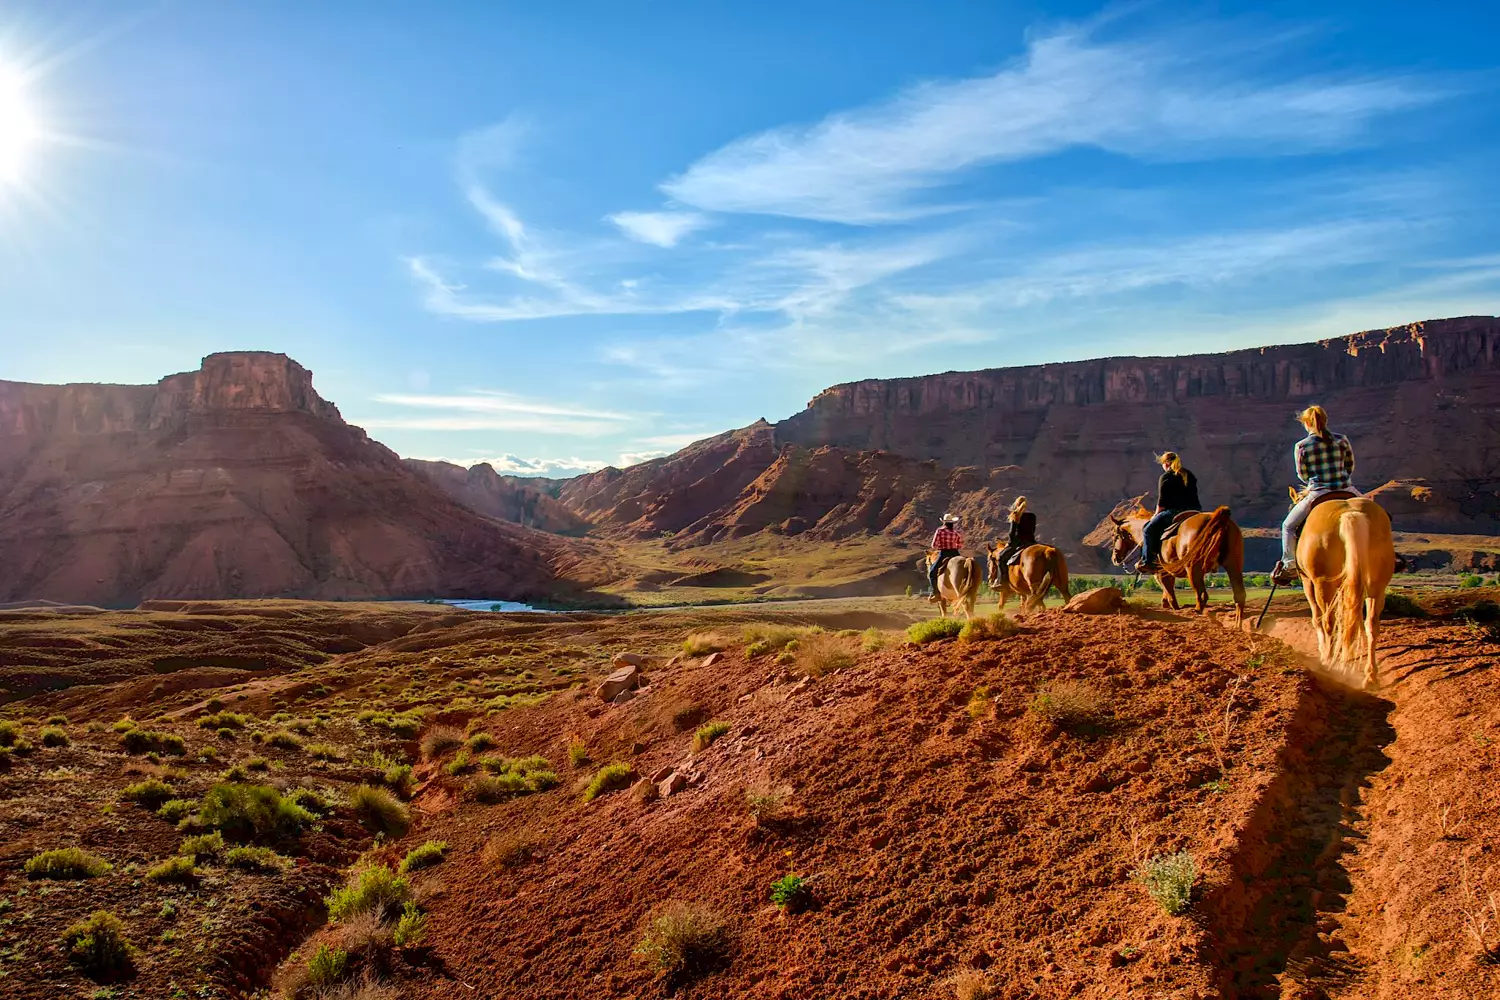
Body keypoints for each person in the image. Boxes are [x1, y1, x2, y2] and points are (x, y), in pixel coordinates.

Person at [1271, 405, 1357, 586]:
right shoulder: (1342, 440)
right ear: (1325, 420)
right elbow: (1349, 467)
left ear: (1306, 423)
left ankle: (1290, 565)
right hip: (1347, 490)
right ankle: (1390, 555)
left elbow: (1302, 475)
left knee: (1288, 526)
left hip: (1319, 492)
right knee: (1380, 515)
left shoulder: (1302, 446)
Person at [1138, 451, 1202, 574]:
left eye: (1162, 463)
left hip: (1174, 512)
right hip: (1194, 511)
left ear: (1166, 463)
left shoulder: (1166, 477)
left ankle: (1148, 561)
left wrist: (1155, 515)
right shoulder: (1188, 474)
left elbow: (1162, 501)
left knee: (1147, 529)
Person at [992, 496, 1038, 572]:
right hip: (1031, 542)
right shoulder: (1032, 516)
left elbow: (1011, 533)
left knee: (1001, 557)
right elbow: (1032, 531)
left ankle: (1001, 581)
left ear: (1016, 504)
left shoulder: (1015, 515)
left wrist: (1009, 543)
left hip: (1018, 543)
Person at [927, 514, 964, 602]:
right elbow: (960, 545)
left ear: (944, 522)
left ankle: (935, 593)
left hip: (944, 553)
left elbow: (934, 545)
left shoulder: (940, 531)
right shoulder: (956, 532)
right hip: (955, 553)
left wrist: (940, 545)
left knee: (932, 572)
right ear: (952, 523)